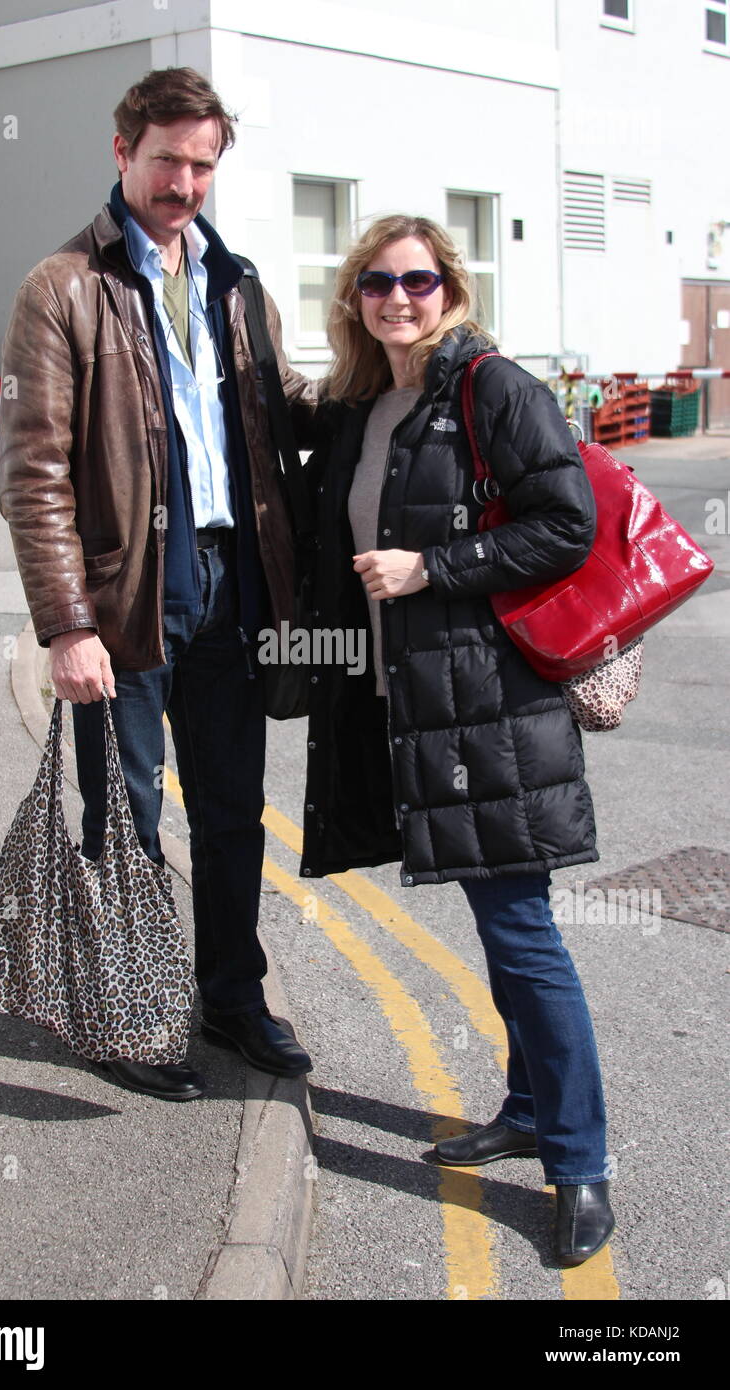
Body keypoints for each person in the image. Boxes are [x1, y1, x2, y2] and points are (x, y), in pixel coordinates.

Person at [299, 214, 615, 1266]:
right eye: (380, 281)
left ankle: (580, 1166)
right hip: (411, 700)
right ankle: (528, 1108)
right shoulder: (366, 405)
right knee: (496, 921)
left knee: (524, 933)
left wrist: (432, 566)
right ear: (356, 297)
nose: (400, 296)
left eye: (420, 280)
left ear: (452, 288)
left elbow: (565, 521)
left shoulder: (492, 388)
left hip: (491, 707)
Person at [0, 67, 316, 1101]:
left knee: (232, 812)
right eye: (169, 158)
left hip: (232, 587)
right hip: (126, 598)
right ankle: (125, 1012)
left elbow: (283, 406)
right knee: (121, 815)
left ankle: (230, 992)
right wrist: (66, 624)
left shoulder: (236, 281)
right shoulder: (63, 287)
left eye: (204, 164)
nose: (186, 182)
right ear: (123, 149)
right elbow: (34, 473)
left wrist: (413, 368)